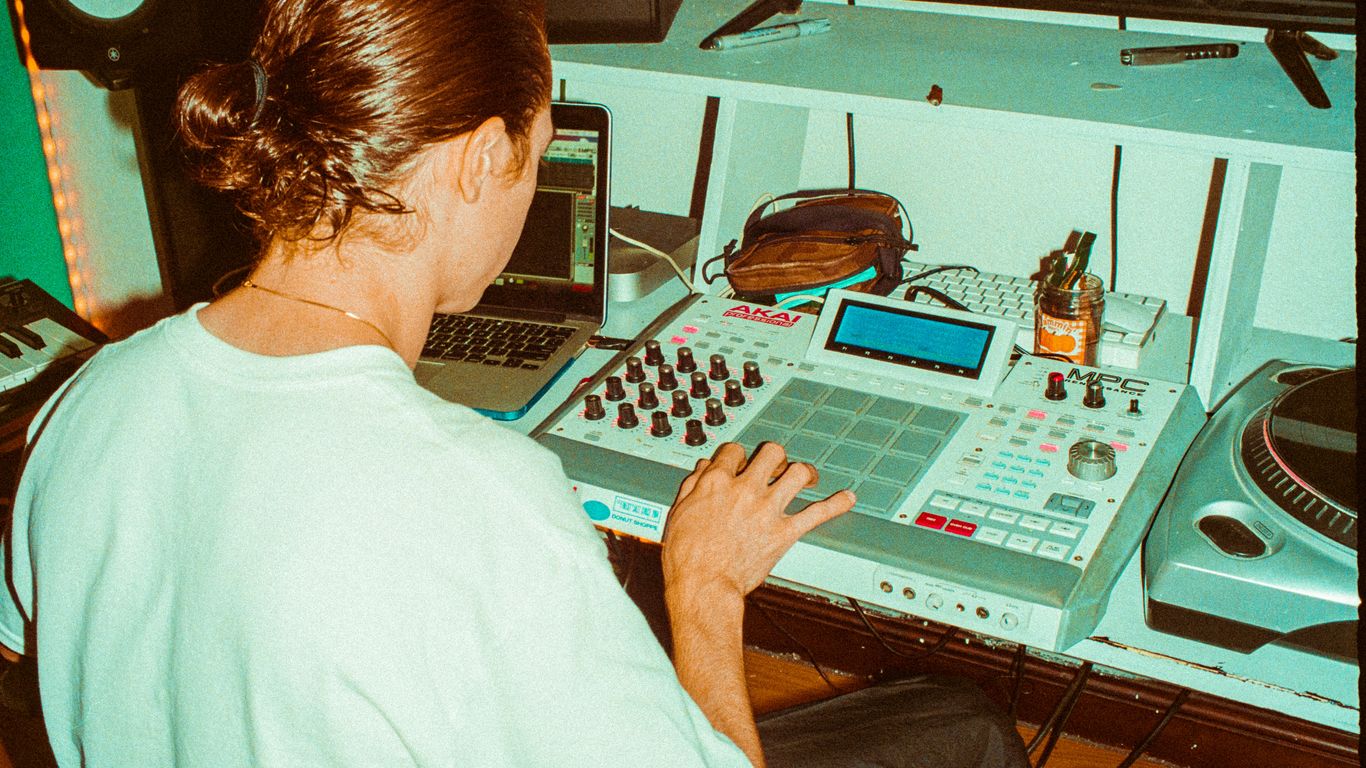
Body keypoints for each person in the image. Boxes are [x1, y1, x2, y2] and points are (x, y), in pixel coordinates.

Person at [1, 1, 1029, 766]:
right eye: (536, 152)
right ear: (481, 157)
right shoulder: (485, 495)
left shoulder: (89, 400)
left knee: (947, 717)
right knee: (969, 732)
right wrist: (704, 591)